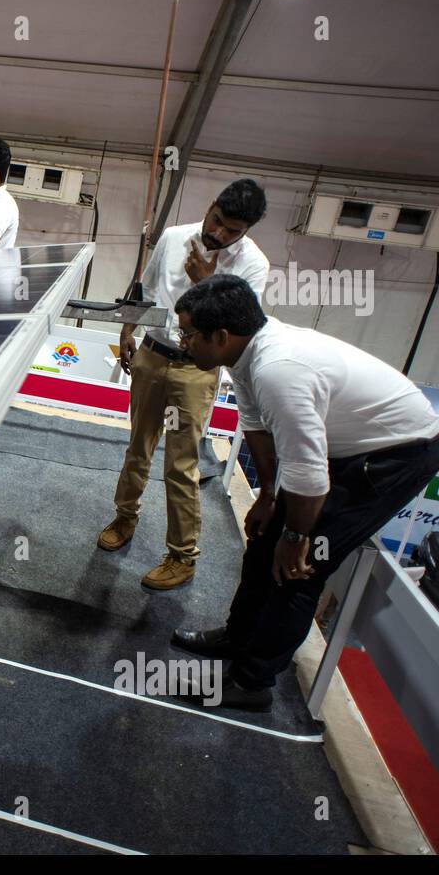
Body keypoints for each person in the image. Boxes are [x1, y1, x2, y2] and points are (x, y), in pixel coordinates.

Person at [169, 275, 439, 711]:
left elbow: (310, 473)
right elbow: (258, 430)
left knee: (298, 570)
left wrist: (296, 538)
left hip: (395, 457)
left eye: (189, 334)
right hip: (349, 448)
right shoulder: (242, 355)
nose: (183, 343)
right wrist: (268, 499)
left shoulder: (279, 369)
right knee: (262, 548)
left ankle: (252, 681)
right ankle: (238, 639)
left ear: (220, 336)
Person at [97, 178, 271, 591]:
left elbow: (240, 327)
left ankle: (182, 556)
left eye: (233, 231)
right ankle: (125, 516)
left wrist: (204, 282)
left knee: (180, 464)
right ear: (210, 206)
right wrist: (128, 330)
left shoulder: (253, 264)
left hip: (197, 370)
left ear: (247, 231)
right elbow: (146, 286)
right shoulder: (174, 237)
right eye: (218, 221)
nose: (220, 234)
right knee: (137, 447)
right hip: (153, 356)